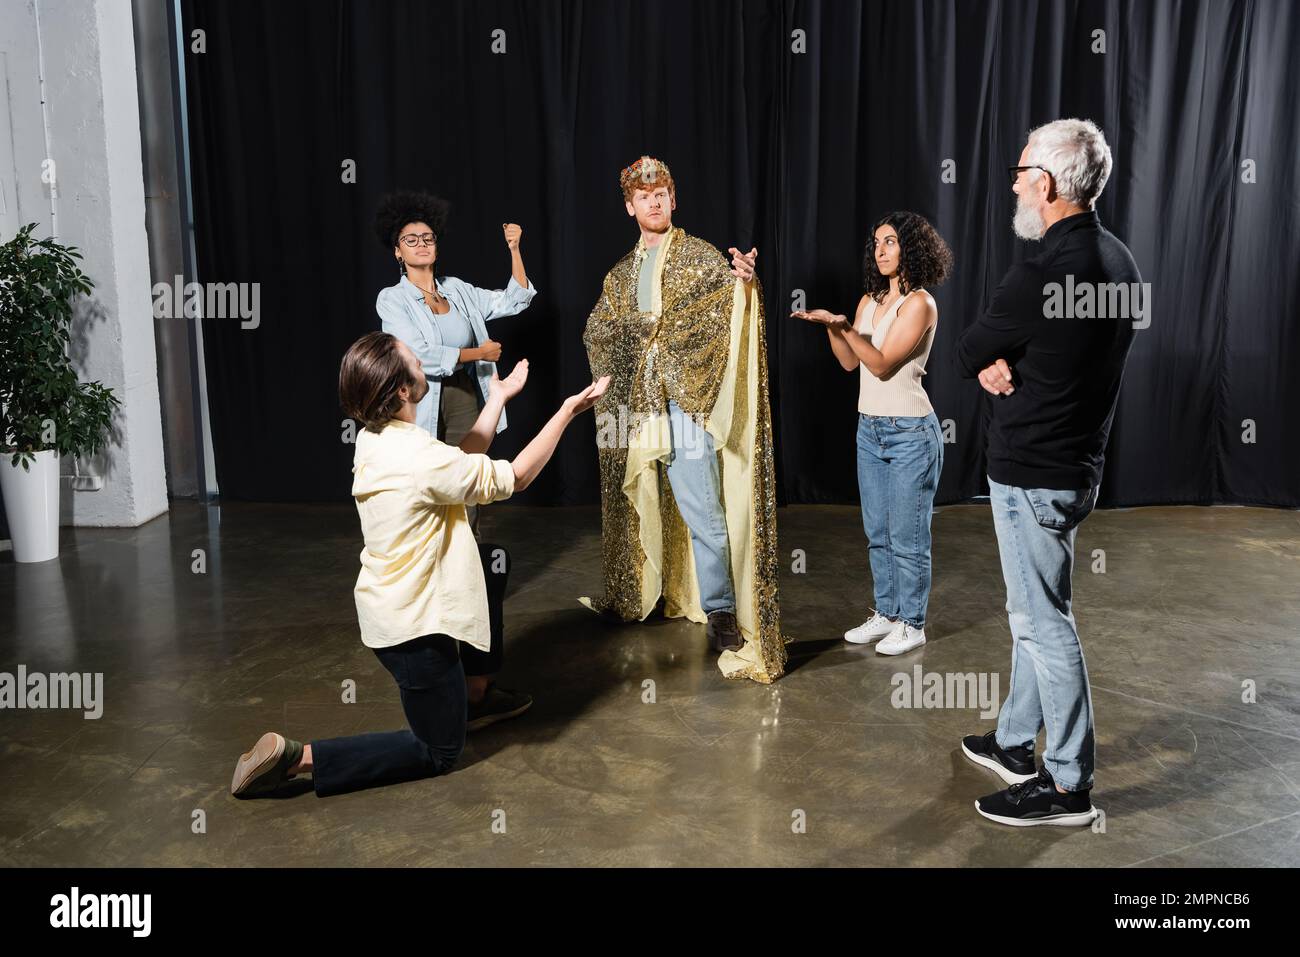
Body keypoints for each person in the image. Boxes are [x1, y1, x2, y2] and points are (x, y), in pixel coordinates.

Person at [229, 332, 609, 797]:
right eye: (412, 358)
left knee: (493, 564)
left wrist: (497, 398)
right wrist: (568, 411)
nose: (420, 359)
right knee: (438, 751)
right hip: (413, 633)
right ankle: (298, 757)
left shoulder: (378, 438)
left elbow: (455, 463)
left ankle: (475, 692)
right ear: (405, 390)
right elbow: (518, 476)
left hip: (396, 607)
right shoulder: (417, 457)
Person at [955, 118, 1139, 826]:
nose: (1014, 182)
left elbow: (972, 344)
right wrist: (1011, 362)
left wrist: (995, 363)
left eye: (1022, 170)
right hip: (1078, 470)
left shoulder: (1040, 269)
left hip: (1031, 473)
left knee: (1042, 622)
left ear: (1051, 185)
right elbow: (1076, 355)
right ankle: (1011, 742)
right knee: (1034, 613)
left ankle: (1067, 784)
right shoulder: (1119, 262)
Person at [580, 155, 787, 684]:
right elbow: (600, 330)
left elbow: (731, 317)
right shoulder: (619, 274)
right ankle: (642, 590)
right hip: (638, 403)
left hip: (688, 398)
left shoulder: (702, 258)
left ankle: (719, 607)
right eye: (643, 195)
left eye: (662, 192)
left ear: (674, 199)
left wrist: (746, 285)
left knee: (702, 505)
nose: (654, 200)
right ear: (630, 206)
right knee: (638, 494)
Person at [795, 212, 952, 656]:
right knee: (878, 533)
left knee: (908, 536)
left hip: (910, 434)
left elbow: (881, 363)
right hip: (870, 430)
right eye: (876, 243)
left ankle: (912, 622)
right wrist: (834, 328)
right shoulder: (870, 301)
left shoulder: (920, 304)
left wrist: (843, 326)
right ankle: (887, 612)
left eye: (890, 242)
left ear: (911, 249)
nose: (880, 250)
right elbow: (851, 362)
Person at [373, 189, 536, 532]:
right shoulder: (391, 299)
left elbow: (514, 300)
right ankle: (429, 559)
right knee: (426, 478)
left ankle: (469, 557)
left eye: (428, 237)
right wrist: (481, 353)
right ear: (397, 251)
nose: (421, 244)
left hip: (463, 393)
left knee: (467, 474)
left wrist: (515, 250)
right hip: (417, 398)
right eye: (411, 239)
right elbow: (419, 354)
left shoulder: (458, 290)